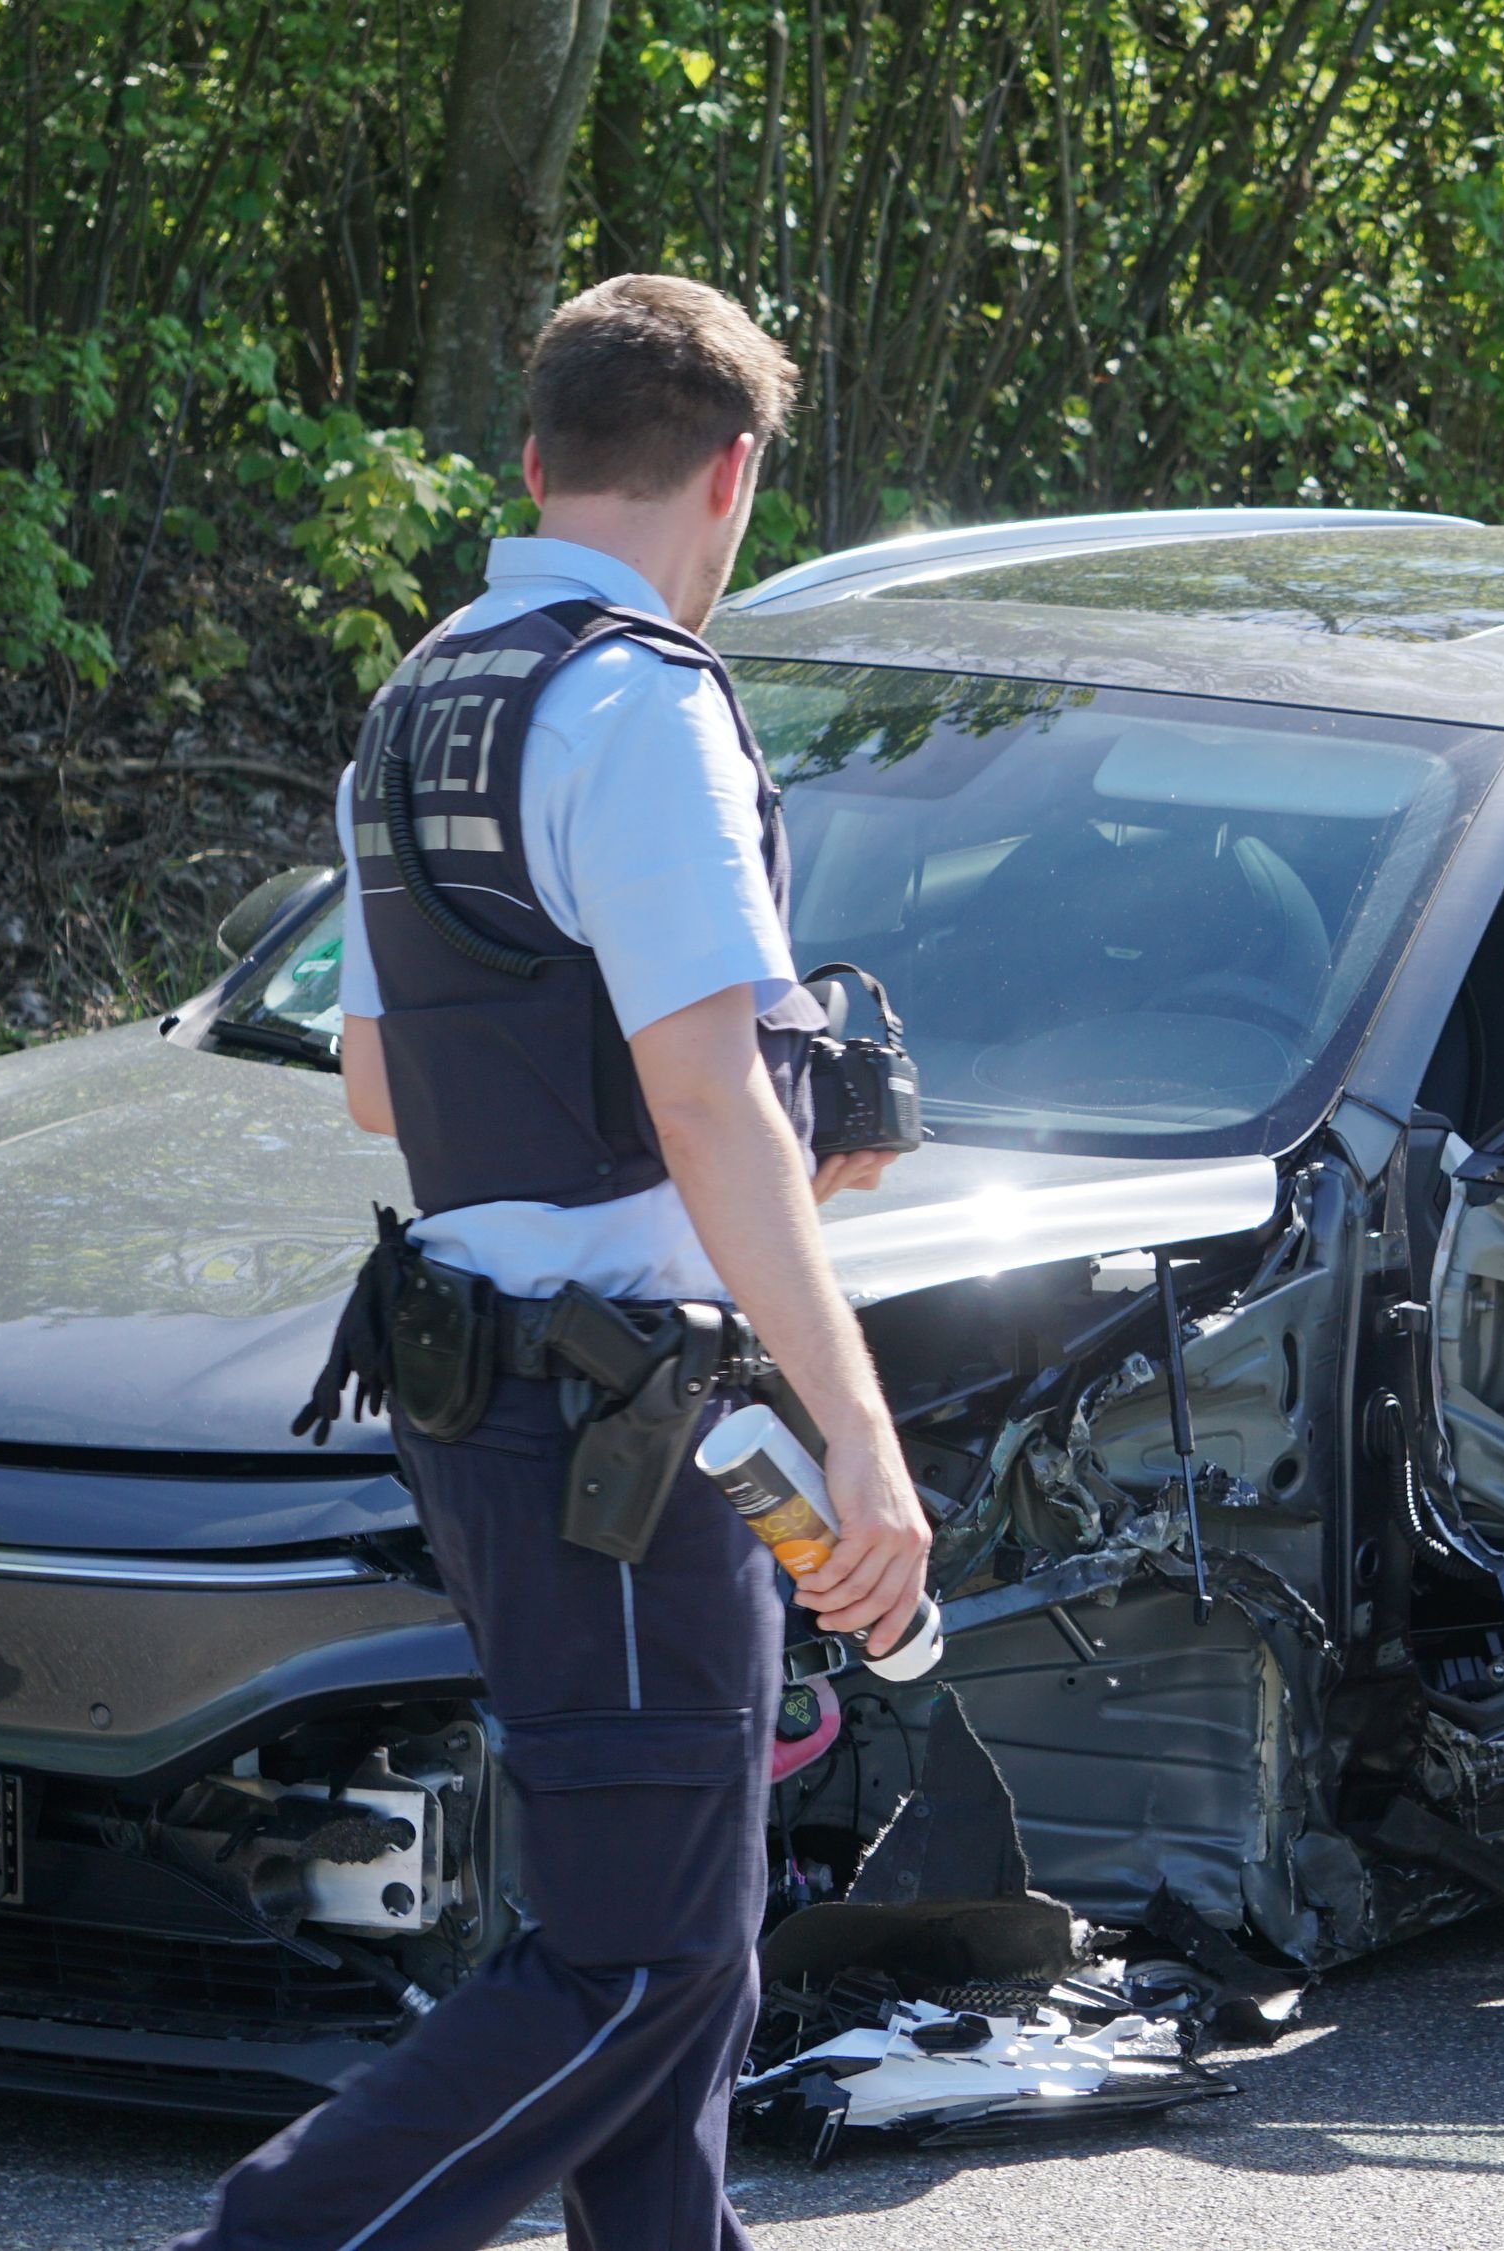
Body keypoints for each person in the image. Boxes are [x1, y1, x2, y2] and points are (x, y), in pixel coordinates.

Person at [183, 277, 927, 2251]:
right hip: (623, 1420)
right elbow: (703, 1100)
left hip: (494, 1394)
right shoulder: (640, 705)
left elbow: (373, 1080)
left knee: (684, 1963)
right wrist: (859, 1432)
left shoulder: (425, 691)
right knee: (642, 1957)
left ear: (532, 459)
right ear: (734, 472)